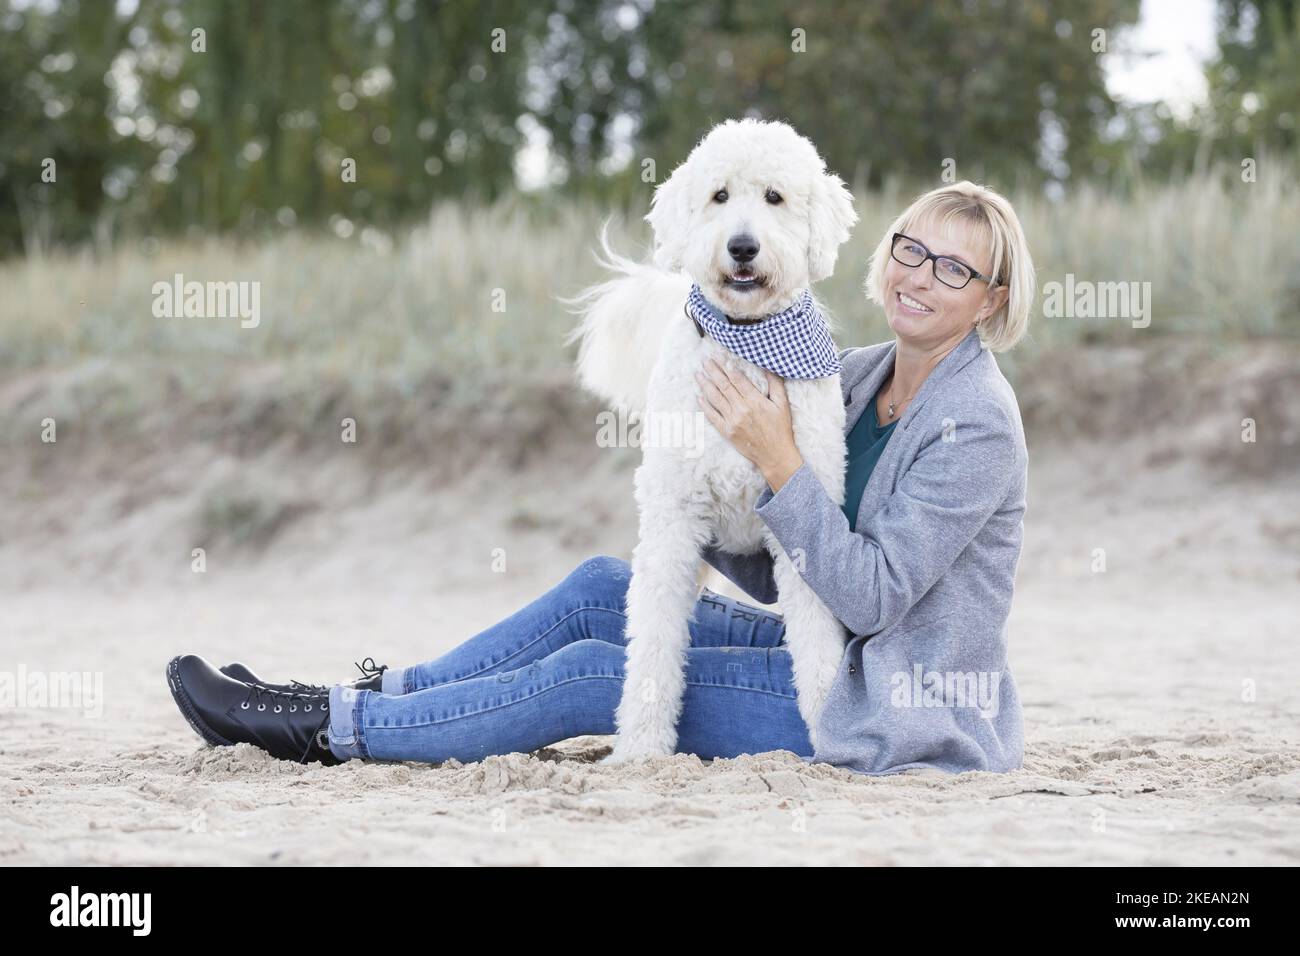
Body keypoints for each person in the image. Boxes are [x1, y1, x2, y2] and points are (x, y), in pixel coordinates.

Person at [166, 179, 1034, 775]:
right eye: (911, 250)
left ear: (991, 300)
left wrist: (774, 458)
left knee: (592, 671)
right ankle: (365, 690)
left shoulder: (978, 424)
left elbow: (873, 597)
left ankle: (329, 730)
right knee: (600, 590)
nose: (920, 277)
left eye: (954, 269)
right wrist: (705, 483)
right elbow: (784, 560)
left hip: (891, 706)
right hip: (830, 652)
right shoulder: (850, 373)